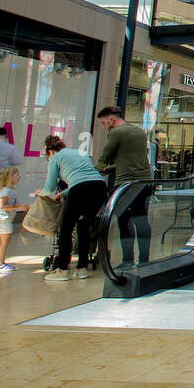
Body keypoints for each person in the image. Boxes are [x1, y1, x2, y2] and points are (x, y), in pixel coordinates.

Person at [37, 135, 108, 283]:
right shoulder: (80, 153)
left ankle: (63, 270)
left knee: (66, 229)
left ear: (50, 152)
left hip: (79, 190)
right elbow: (83, 180)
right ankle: (82, 268)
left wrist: (40, 193)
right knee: (84, 226)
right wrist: (61, 194)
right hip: (99, 187)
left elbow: (50, 186)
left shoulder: (55, 158)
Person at [95, 106, 154, 267]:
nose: (103, 126)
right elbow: (130, 160)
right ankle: (144, 259)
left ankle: (127, 260)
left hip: (126, 184)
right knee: (141, 220)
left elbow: (105, 156)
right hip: (145, 183)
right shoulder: (139, 132)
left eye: (103, 123)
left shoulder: (116, 132)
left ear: (111, 120)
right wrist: (109, 170)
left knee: (124, 221)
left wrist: (96, 170)